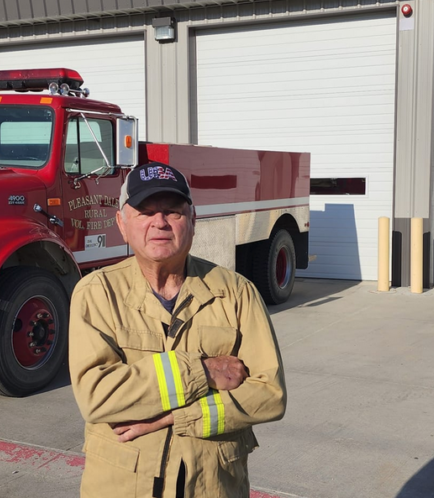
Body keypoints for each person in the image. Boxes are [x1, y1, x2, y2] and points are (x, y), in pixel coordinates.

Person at [69, 162, 286, 498]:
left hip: (212, 486)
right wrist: (202, 370)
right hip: (121, 486)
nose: (160, 222)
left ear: (193, 220)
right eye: (145, 212)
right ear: (122, 224)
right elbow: (98, 397)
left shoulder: (237, 292)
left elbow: (269, 395)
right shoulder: (97, 292)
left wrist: (173, 417)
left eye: (173, 211)